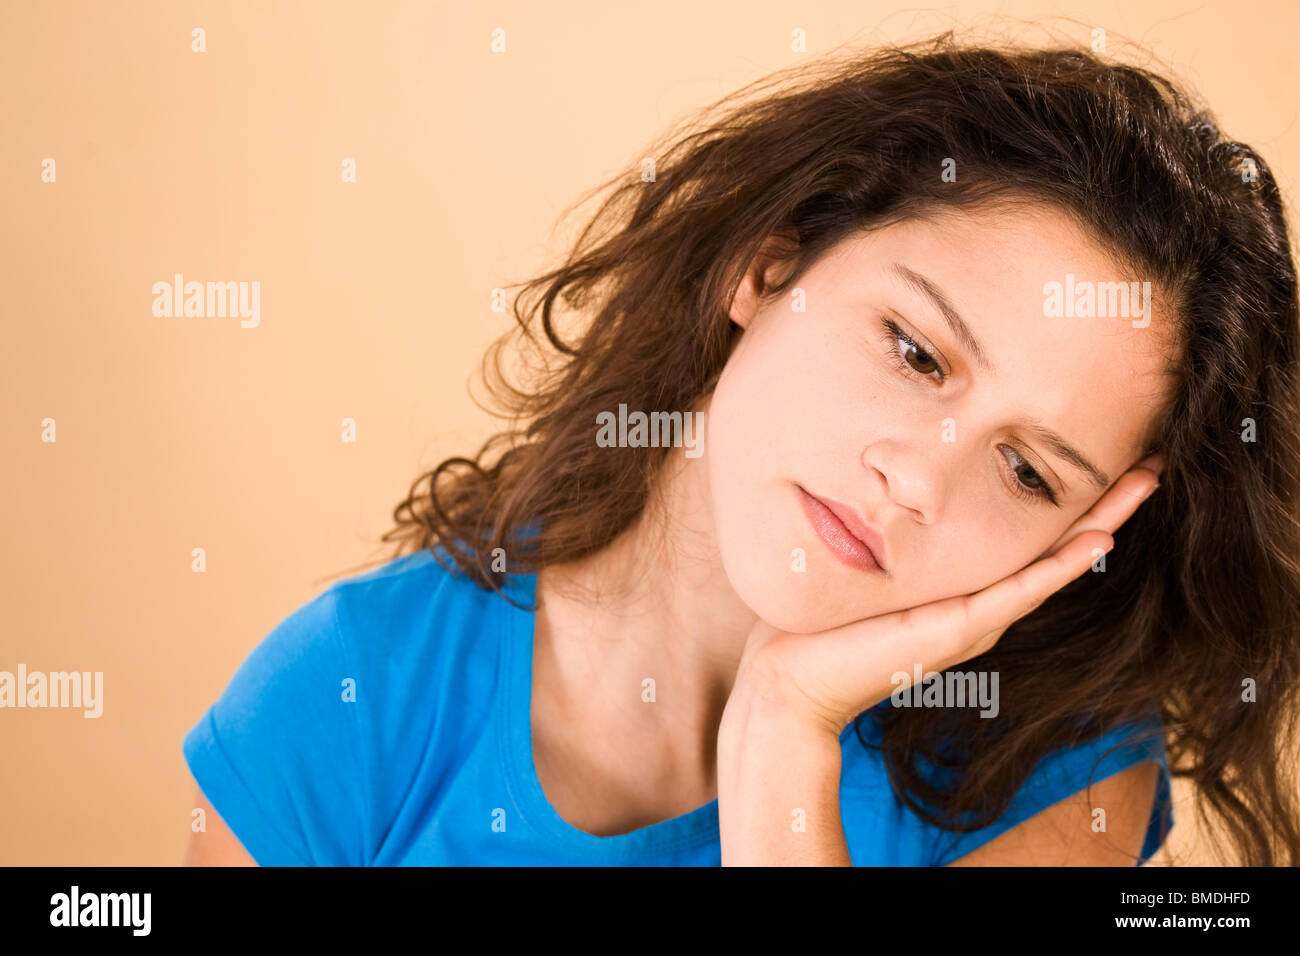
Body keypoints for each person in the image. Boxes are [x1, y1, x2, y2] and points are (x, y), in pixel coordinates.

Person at [182, 33, 1300, 866]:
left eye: (1027, 471)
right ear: (766, 271)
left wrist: (780, 742)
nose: (916, 476)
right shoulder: (349, 688)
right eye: (914, 350)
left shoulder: (1058, 768)